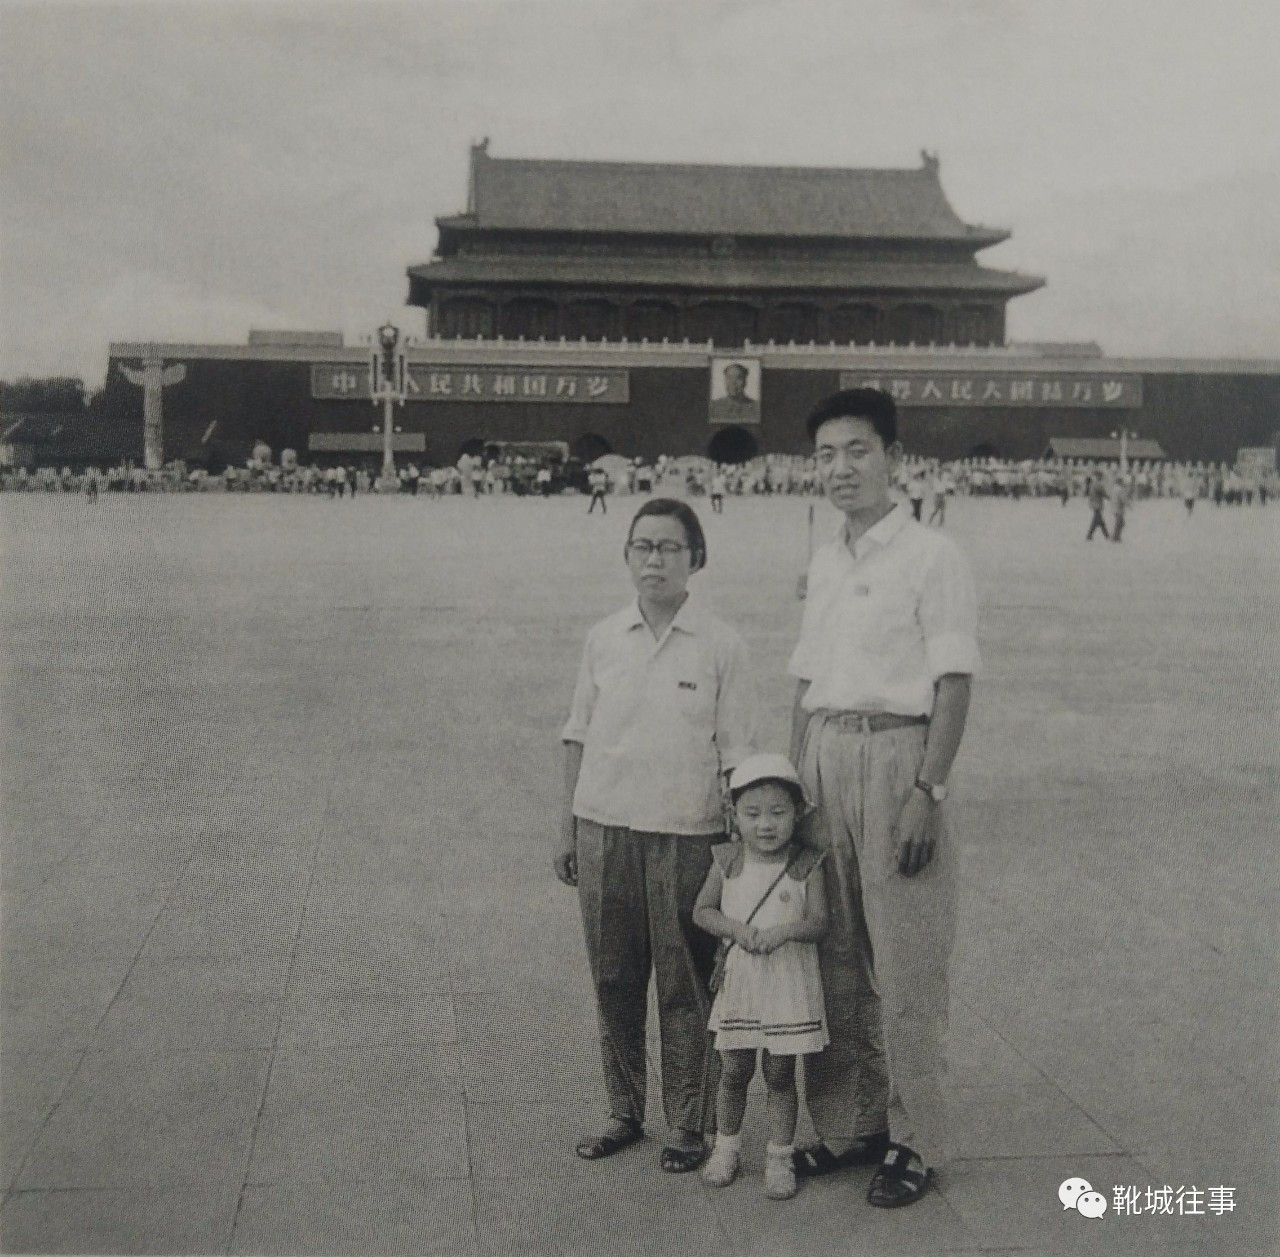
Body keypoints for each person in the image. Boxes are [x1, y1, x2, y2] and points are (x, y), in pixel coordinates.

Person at [786, 388, 979, 1209]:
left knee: (906, 962)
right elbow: (803, 677)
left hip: (899, 754)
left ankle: (916, 1138)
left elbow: (954, 680)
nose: (840, 469)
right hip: (825, 754)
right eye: (825, 454)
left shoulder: (934, 555)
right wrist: (787, 780)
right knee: (831, 957)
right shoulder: (826, 556)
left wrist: (927, 791)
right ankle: (851, 1123)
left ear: (892, 456)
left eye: (857, 450)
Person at [556, 498, 758, 1175]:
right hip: (603, 826)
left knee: (685, 982)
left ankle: (688, 1123)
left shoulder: (721, 643)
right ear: (626, 556)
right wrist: (567, 824)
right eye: (642, 546)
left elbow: (737, 748)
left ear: (695, 559)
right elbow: (577, 732)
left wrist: (742, 846)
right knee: (613, 976)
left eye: (669, 547)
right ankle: (622, 1110)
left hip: (685, 830)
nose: (653, 559)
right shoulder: (604, 636)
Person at [694, 753, 829, 1201]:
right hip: (743, 981)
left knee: (779, 1073)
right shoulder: (727, 859)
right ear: (735, 816)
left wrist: (785, 932)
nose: (765, 824)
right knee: (733, 1070)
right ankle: (726, 1148)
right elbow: (703, 911)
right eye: (752, 814)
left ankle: (780, 1156)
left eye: (778, 812)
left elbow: (819, 923)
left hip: (788, 983)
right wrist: (738, 930)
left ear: (797, 813)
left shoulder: (807, 864)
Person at [1085, 476, 1110, 540]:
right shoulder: (1095, 485)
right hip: (1097, 505)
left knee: (1100, 521)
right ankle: (1089, 535)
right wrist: (1109, 497)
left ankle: (1106, 535)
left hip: (1094, 505)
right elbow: (1103, 492)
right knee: (1096, 521)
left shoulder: (1090, 486)